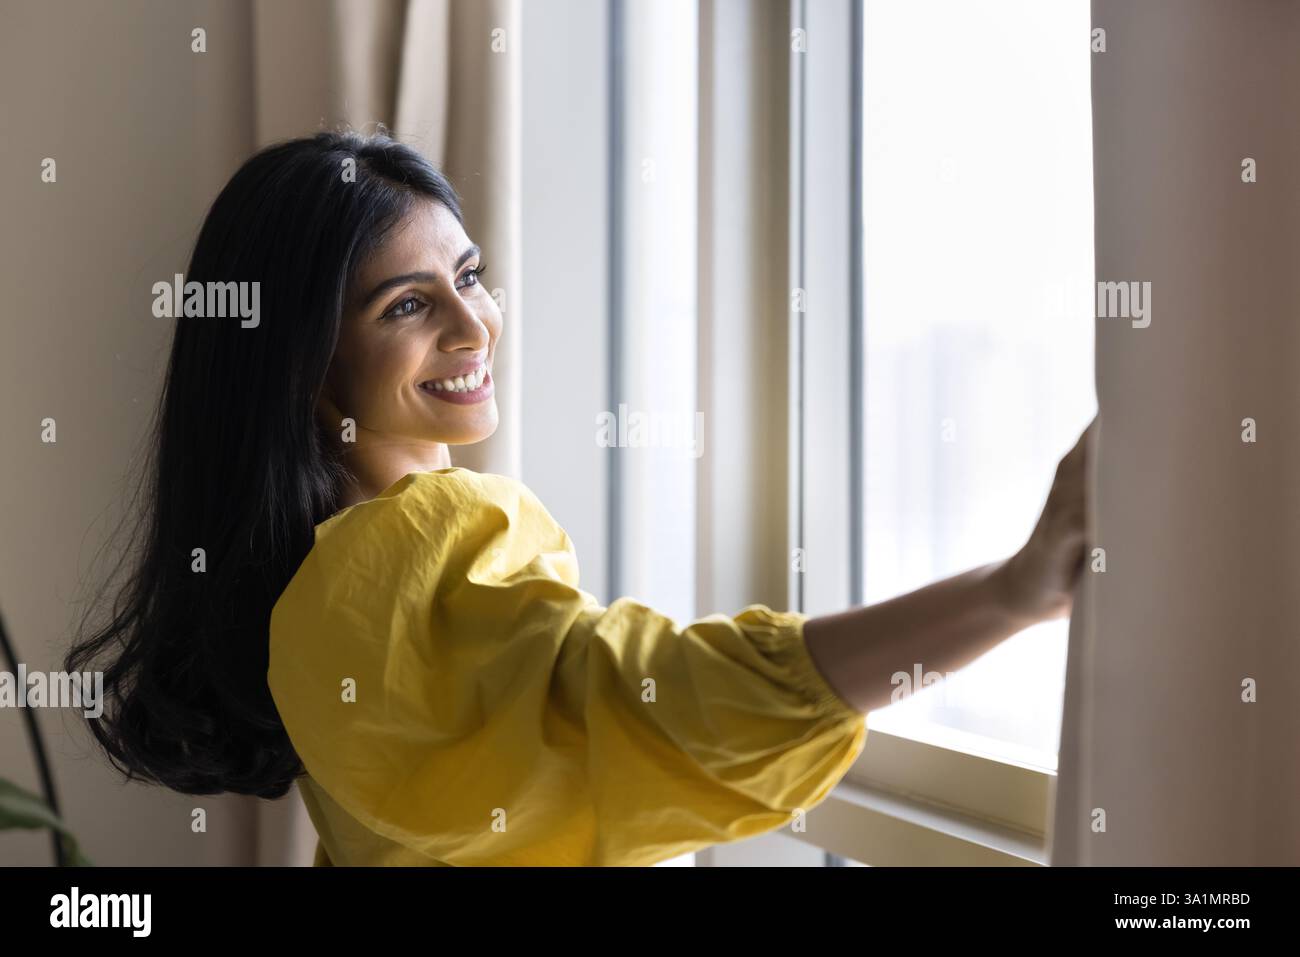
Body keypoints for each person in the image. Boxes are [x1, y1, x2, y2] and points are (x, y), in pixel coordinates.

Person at [66, 131, 1091, 866]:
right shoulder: (423, 543)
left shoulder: (310, 578)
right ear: (305, 359)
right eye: (408, 305)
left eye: (469, 276)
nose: (474, 324)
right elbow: (642, 695)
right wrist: (1006, 595)